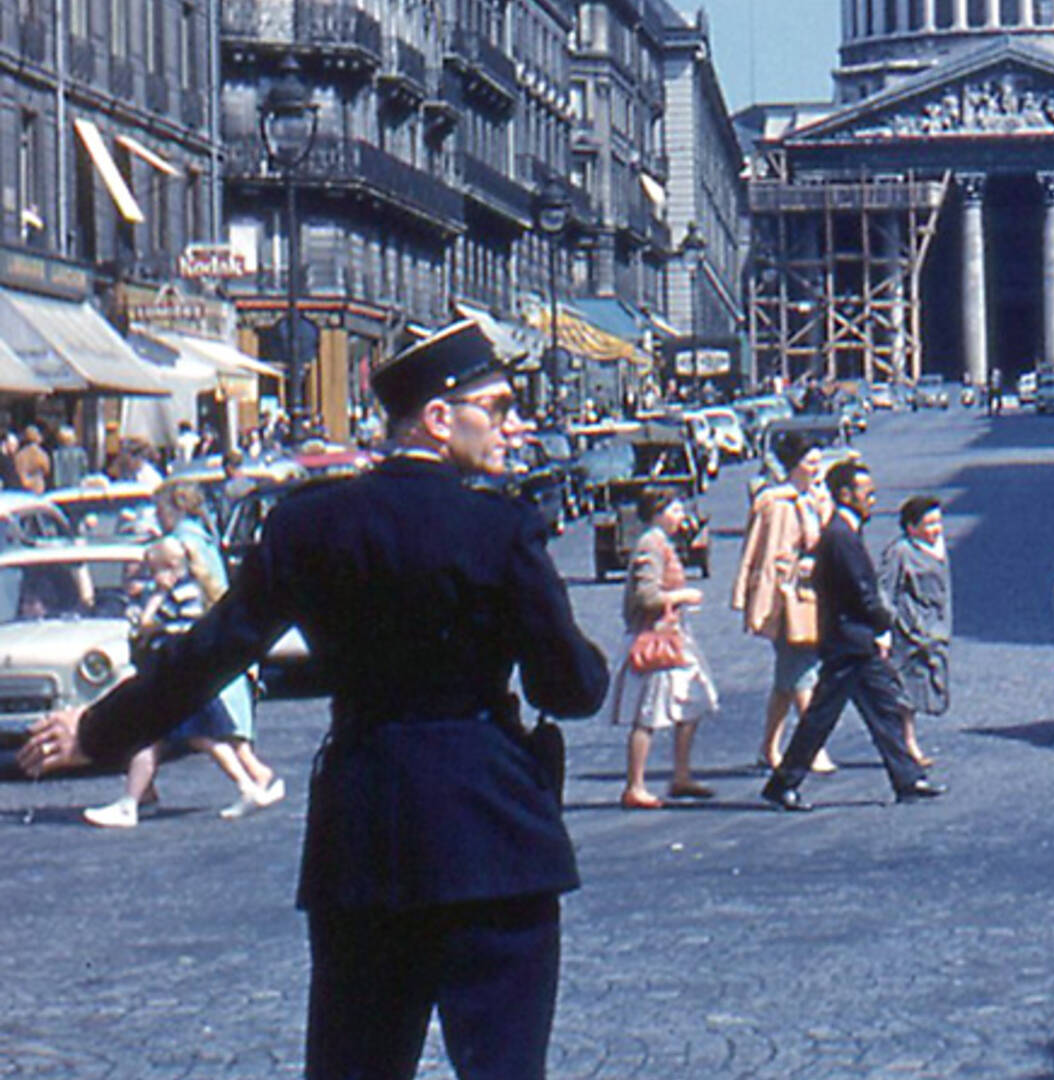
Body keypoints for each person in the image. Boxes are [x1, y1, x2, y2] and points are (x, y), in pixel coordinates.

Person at [16, 318, 609, 1079]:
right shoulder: (500, 528)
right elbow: (573, 688)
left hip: (364, 831)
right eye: (496, 408)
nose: (512, 424)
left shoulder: (307, 524)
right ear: (437, 418)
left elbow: (210, 652)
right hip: (493, 832)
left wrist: (98, 730)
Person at [761, 460, 945, 812]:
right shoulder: (841, 536)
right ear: (845, 494)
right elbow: (863, 592)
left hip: (851, 640)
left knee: (884, 708)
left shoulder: (842, 532)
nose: (872, 498)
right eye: (866, 492)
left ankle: (906, 779)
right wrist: (882, 625)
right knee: (821, 717)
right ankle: (783, 782)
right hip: (849, 642)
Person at [81, 538, 283, 828]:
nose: (152, 579)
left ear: (171, 568)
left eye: (155, 571)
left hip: (179, 678)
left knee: (164, 738)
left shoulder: (182, 592)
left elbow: (155, 625)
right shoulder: (181, 589)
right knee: (201, 739)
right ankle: (141, 797)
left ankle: (131, 804)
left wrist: (152, 606)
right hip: (183, 678)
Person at [156, 479, 279, 810]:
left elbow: (185, 595)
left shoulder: (180, 543)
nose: (157, 518)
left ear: (173, 508)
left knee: (212, 727)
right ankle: (257, 777)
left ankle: (252, 782)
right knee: (221, 727)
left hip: (203, 642)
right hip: (221, 634)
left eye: (159, 510)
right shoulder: (204, 537)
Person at [731, 432, 836, 774]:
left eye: (820, 462)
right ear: (794, 466)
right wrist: (744, 592)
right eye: (810, 462)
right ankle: (812, 748)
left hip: (813, 595)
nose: (817, 469)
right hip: (783, 597)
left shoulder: (820, 499)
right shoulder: (773, 503)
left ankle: (768, 748)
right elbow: (756, 551)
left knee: (787, 678)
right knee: (803, 671)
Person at [609, 486, 719, 809]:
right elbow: (646, 596)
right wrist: (683, 596)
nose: (680, 516)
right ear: (657, 512)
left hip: (673, 636)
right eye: (674, 510)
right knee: (648, 712)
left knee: (693, 700)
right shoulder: (651, 545)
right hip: (656, 639)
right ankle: (635, 785)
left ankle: (681, 775)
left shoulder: (660, 543)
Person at [879, 495, 950, 768]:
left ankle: (903, 741)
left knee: (925, 686)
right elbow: (885, 592)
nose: (936, 529)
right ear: (911, 527)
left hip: (935, 631)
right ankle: (908, 744)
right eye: (929, 523)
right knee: (905, 690)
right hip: (908, 632)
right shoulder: (900, 553)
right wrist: (885, 631)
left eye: (937, 522)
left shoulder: (940, 550)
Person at [14, 423, 51, 493]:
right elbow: (46, 470)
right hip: (38, 485)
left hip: (23, 484)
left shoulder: (20, 454)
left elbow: (17, 470)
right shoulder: (41, 454)